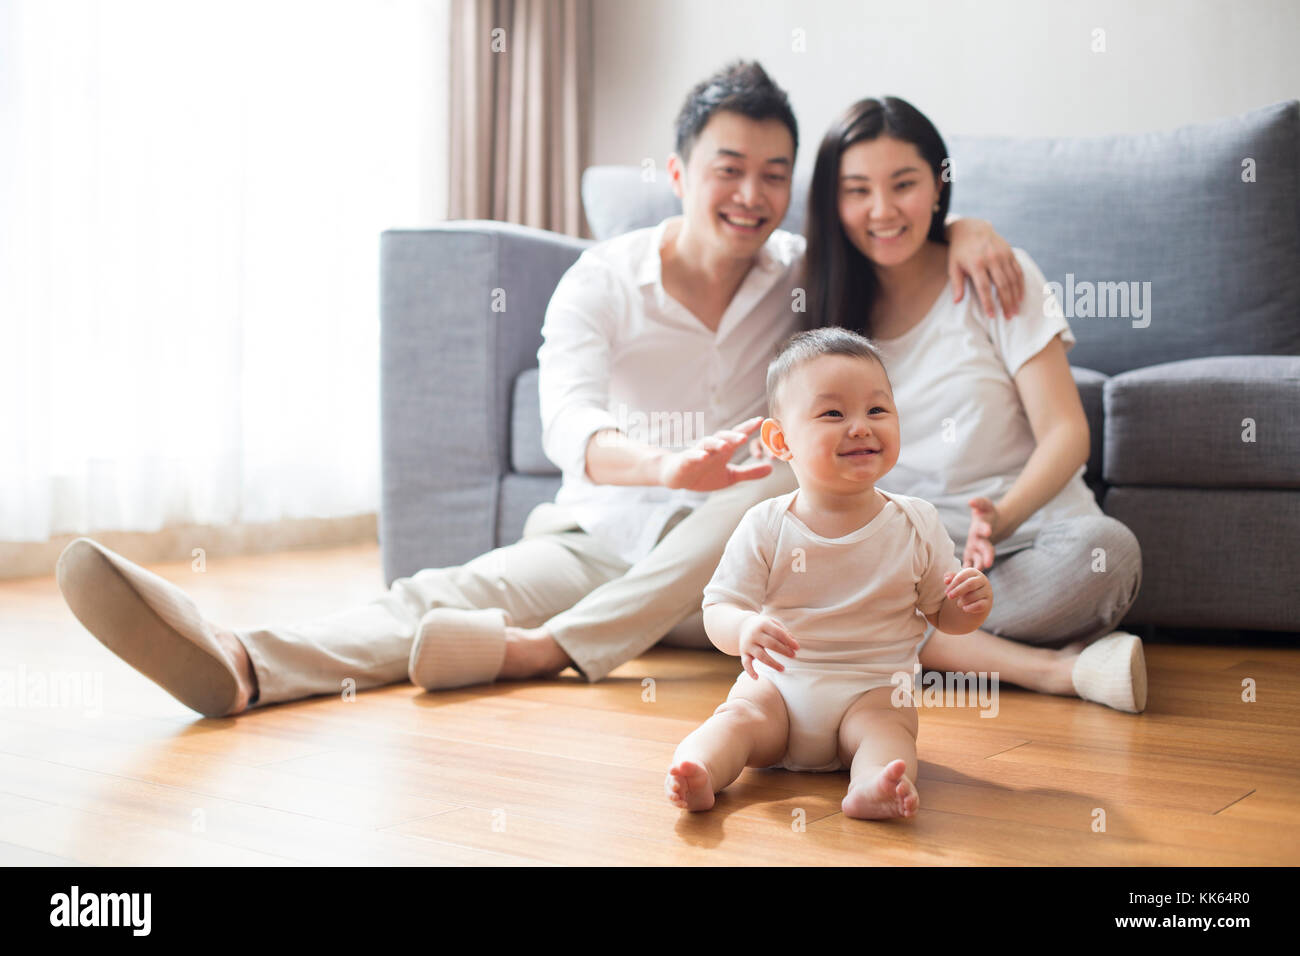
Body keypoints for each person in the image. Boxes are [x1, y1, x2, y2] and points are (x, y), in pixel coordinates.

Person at [54, 63, 1025, 718]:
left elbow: (890, 233)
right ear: (679, 171)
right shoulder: (600, 280)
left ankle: (546, 650)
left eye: (775, 175)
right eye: (729, 169)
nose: (752, 194)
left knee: (772, 487)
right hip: (600, 540)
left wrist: (967, 227)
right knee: (440, 596)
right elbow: (570, 425)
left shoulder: (801, 274)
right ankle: (245, 660)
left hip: (738, 576)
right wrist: (663, 464)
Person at [799, 96, 1146, 713]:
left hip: (1028, 543)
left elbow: (1067, 431)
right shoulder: (821, 310)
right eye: (857, 190)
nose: (882, 211)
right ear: (832, 201)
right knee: (820, 579)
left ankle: (892, 642)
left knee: (1108, 555)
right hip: (911, 562)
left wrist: (1004, 517)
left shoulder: (994, 274)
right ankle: (1048, 669)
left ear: (938, 185)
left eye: (903, 184)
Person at [666, 328, 992, 818]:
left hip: (873, 691)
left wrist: (968, 607)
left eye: (877, 410)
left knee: (890, 731)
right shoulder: (766, 523)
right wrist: (744, 628)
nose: (860, 426)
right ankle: (699, 769)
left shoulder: (916, 521)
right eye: (834, 413)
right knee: (737, 718)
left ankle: (873, 787)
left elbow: (942, 616)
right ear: (780, 440)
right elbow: (719, 607)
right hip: (777, 688)